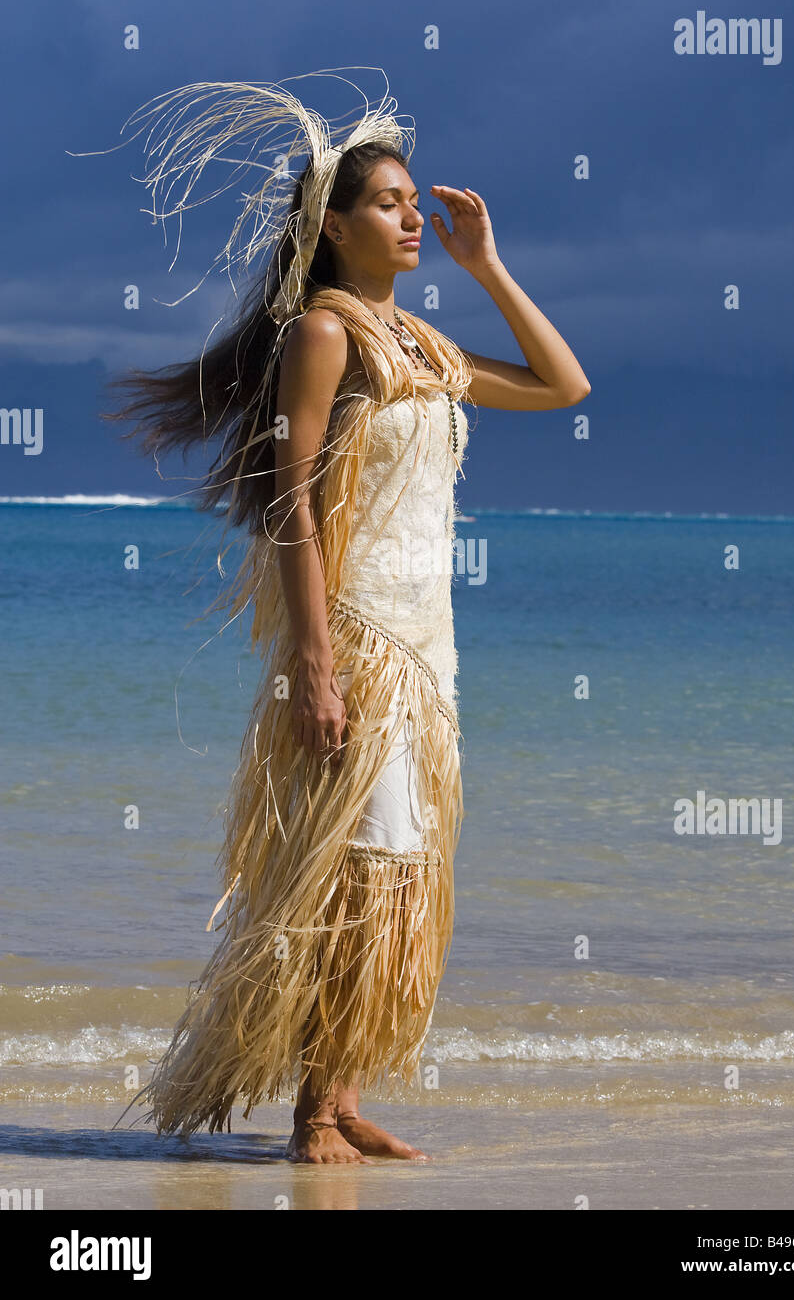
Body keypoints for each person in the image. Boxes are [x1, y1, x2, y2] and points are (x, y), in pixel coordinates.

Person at [91, 71, 591, 1163]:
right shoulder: (325, 334)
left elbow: (564, 385)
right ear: (332, 225)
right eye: (390, 203)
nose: (414, 216)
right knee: (351, 860)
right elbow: (290, 508)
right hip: (358, 638)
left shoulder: (417, 342)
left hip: (430, 647)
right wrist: (314, 664)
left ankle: (340, 1086)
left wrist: (487, 266)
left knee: (397, 867)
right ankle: (311, 1112)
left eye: (415, 202)